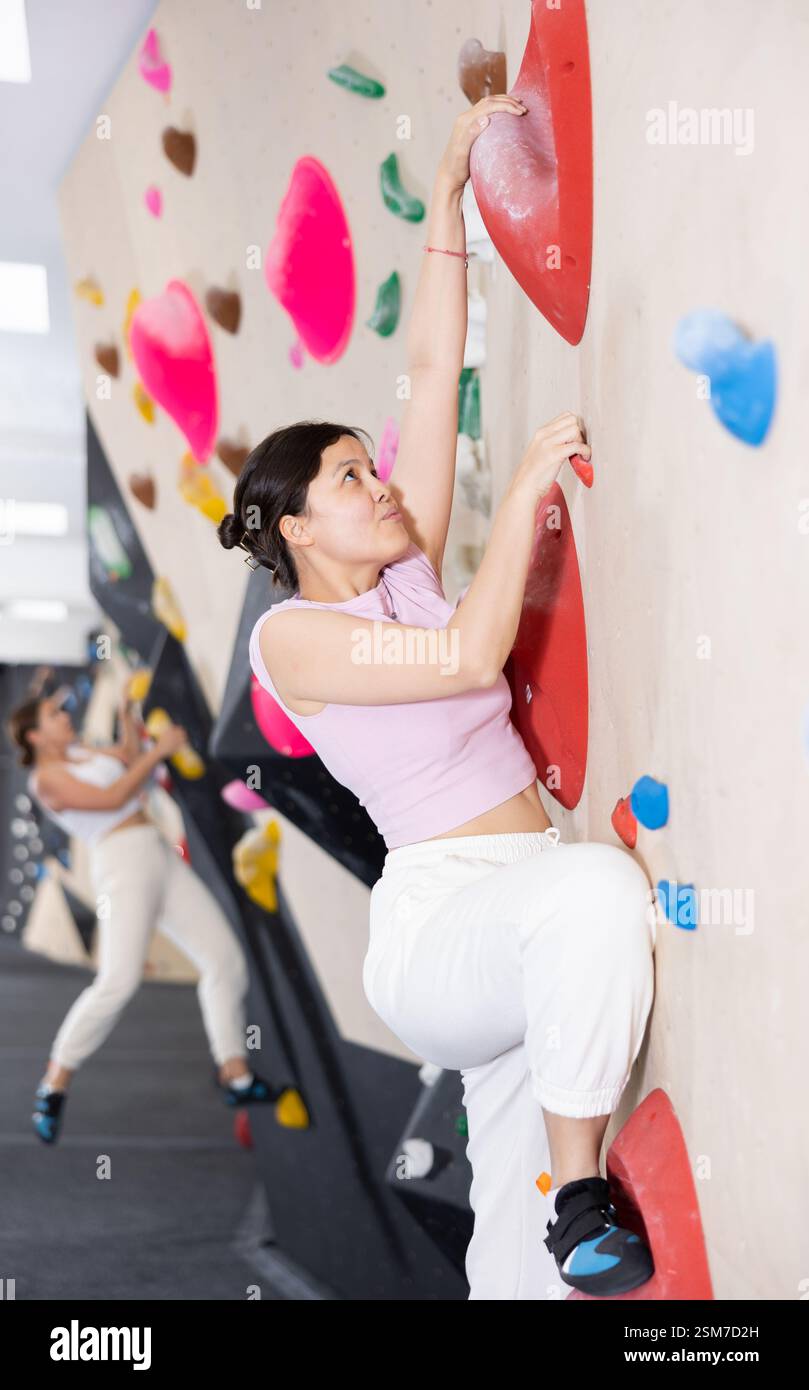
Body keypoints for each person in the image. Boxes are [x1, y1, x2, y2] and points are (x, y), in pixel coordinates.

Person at [217, 96, 657, 1299]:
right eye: (349, 477)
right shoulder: (295, 640)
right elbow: (468, 661)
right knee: (595, 891)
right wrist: (519, 494)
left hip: (521, 919)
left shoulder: (402, 566)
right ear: (295, 525)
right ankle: (580, 1199)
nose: (380, 481)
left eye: (371, 461)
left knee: (513, 1279)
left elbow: (429, 364)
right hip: (443, 929)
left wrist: (453, 185)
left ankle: (541, 1227)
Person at [6, 685, 283, 1145]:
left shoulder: (79, 752)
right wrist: (160, 753)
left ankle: (235, 1075)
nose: (65, 716)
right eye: (55, 713)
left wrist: (125, 712)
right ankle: (54, 1083)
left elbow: (124, 762)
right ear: (34, 735)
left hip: (155, 852)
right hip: (119, 864)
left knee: (224, 961)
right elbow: (113, 797)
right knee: (118, 981)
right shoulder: (45, 779)